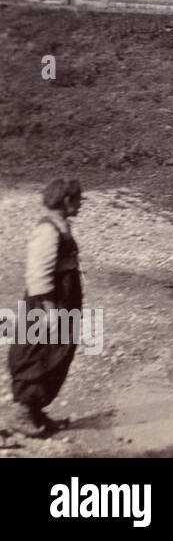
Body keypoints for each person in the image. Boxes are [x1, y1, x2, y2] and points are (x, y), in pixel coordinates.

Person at [6, 179, 84, 437]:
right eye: (77, 200)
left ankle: (36, 412)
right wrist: (50, 312)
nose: (80, 204)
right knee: (39, 354)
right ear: (65, 201)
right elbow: (38, 274)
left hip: (62, 300)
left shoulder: (61, 226)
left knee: (58, 354)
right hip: (47, 303)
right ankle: (22, 413)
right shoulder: (47, 231)